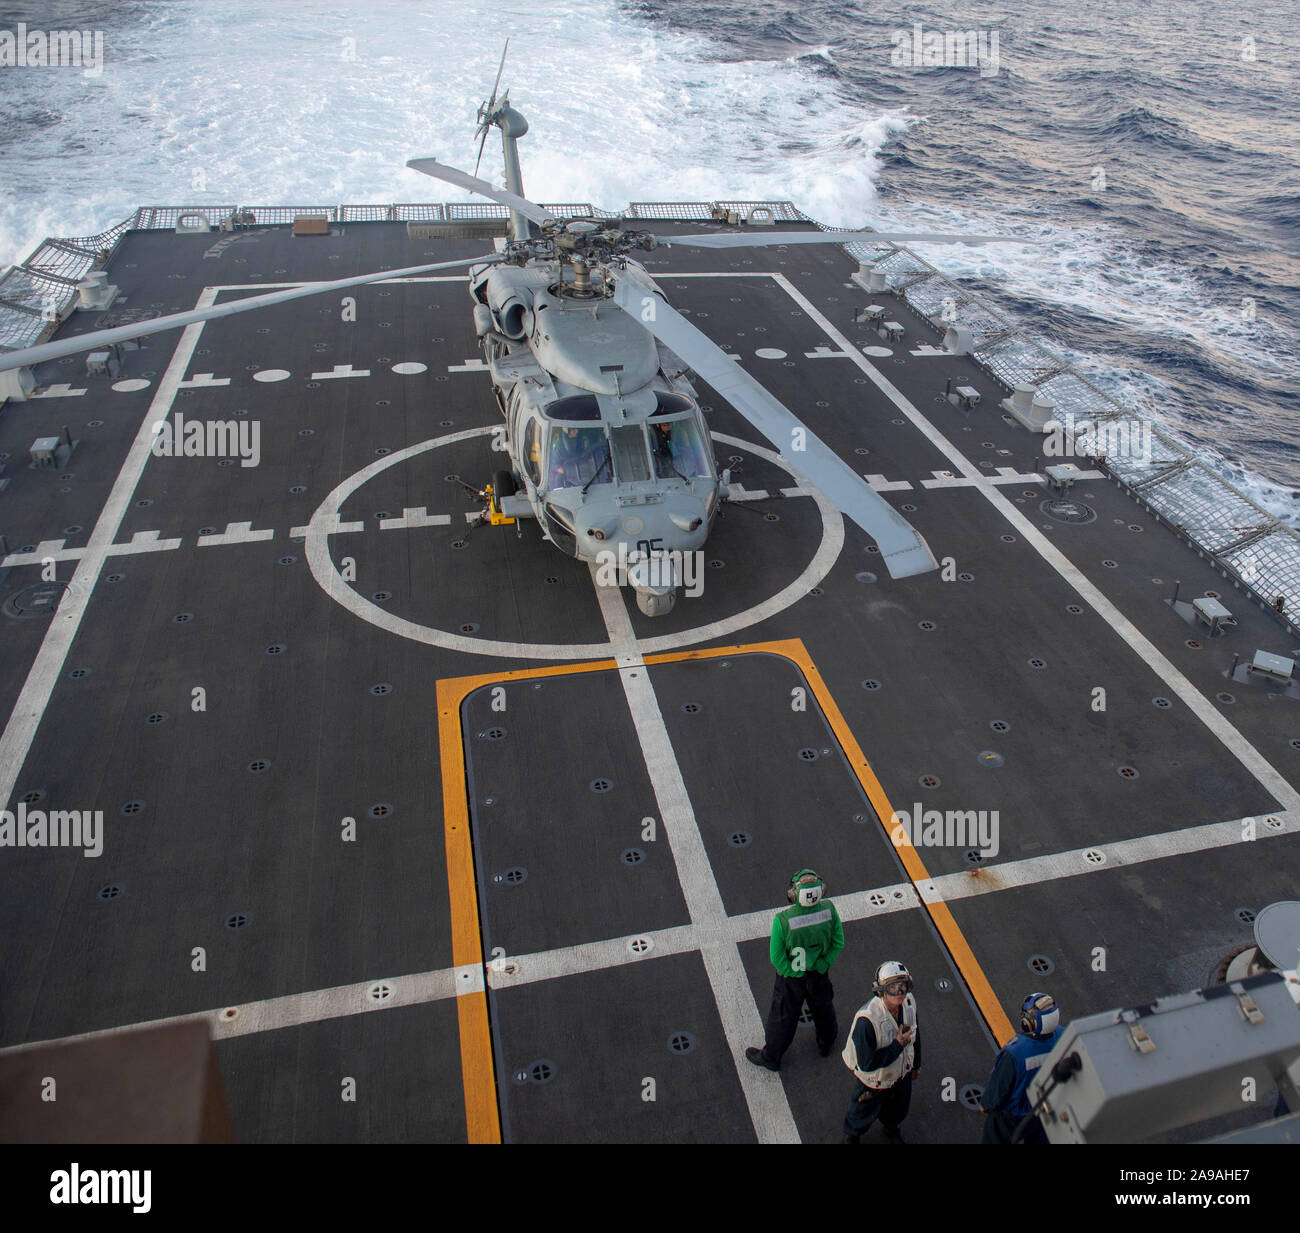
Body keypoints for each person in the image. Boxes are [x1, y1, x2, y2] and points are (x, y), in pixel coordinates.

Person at [745, 870, 843, 1071]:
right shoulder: (829, 910)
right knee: (824, 1010)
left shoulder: (782, 920)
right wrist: (823, 964)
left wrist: (794, 972)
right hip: (818, 973)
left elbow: (777, 957)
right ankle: (826, 1044)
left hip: (791, 978)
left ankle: (771, 1057)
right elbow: (838, 942)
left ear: (794, 894)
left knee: (782, 1018)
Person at [841, 960, 920, 1143]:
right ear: (881, 990)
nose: (900, 993)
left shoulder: (909, 1003)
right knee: (861, 1112)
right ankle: (852, 1137)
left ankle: (891, 1130)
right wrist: (897, 1045)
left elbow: (916, 1035)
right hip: (874, 1081)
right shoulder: (867, 1020)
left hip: (901, 1074)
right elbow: (867, 1064)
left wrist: (916, 1065)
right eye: (893, 987)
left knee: (898, 1109)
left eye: (903, 986)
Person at [979, 992, 1063, 1144]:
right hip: (1043, 1111)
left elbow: (999, 1087)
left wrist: (986, 1105)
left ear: (1030, 1022)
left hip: (1012, 1116)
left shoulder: (1015, 1052)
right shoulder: (1063, 1036)